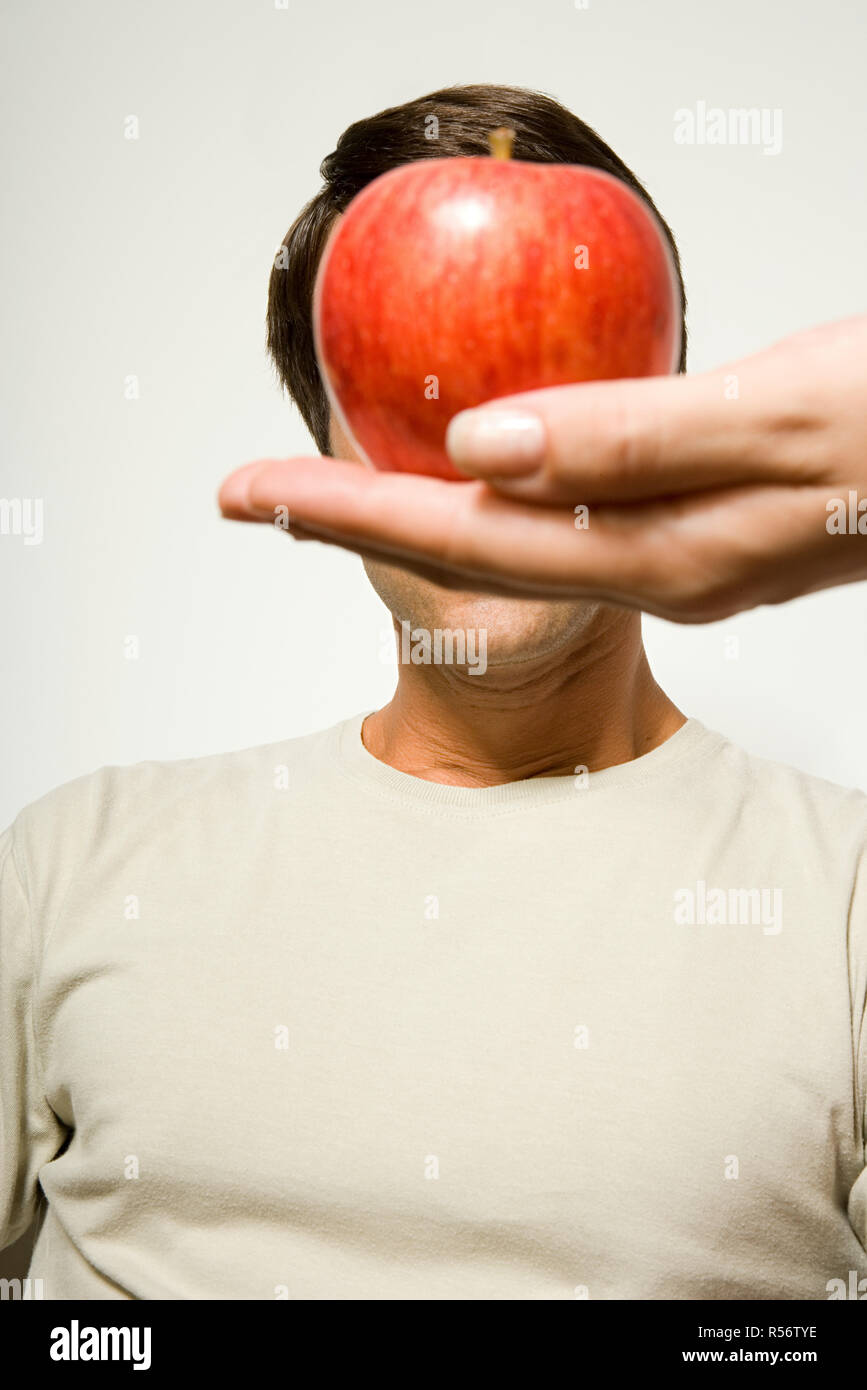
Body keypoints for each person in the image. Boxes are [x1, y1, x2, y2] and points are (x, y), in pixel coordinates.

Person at [2, 84, 865, 1302]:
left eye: (545, 384)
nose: (481, 457)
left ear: (653, 410)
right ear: (328, 441)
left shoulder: (845, 901)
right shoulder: (72, 864)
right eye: (411, 388)